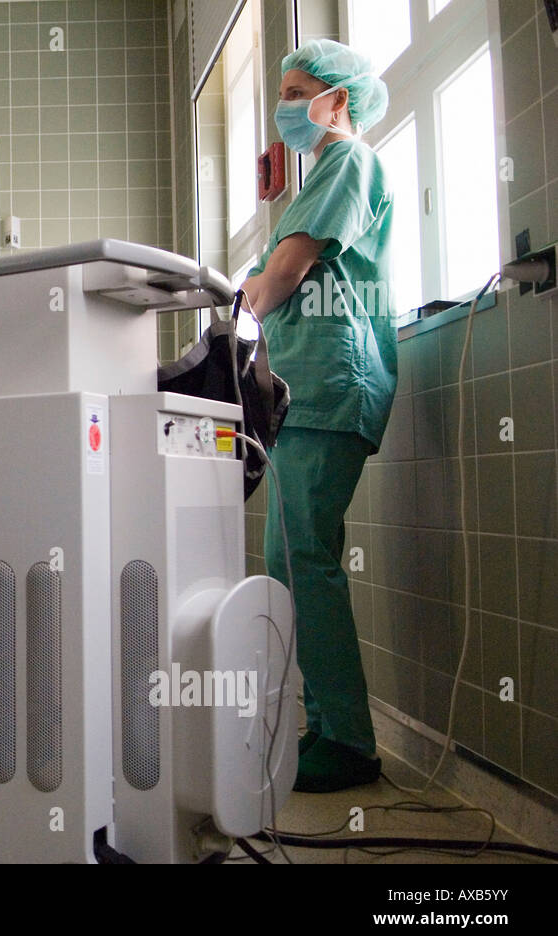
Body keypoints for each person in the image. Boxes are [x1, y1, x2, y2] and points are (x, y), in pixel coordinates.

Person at [238, 39, 395, 793]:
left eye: (302, 90)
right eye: (284, 91)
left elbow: (286, 271)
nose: (288, 104)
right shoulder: (320, 176)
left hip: (333, 387)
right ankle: (327, 726)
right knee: (289, 562)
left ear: (340, 99)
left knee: (307, 559)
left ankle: (351, 742)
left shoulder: (348, 162)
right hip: (304, 396)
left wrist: (227, 316)